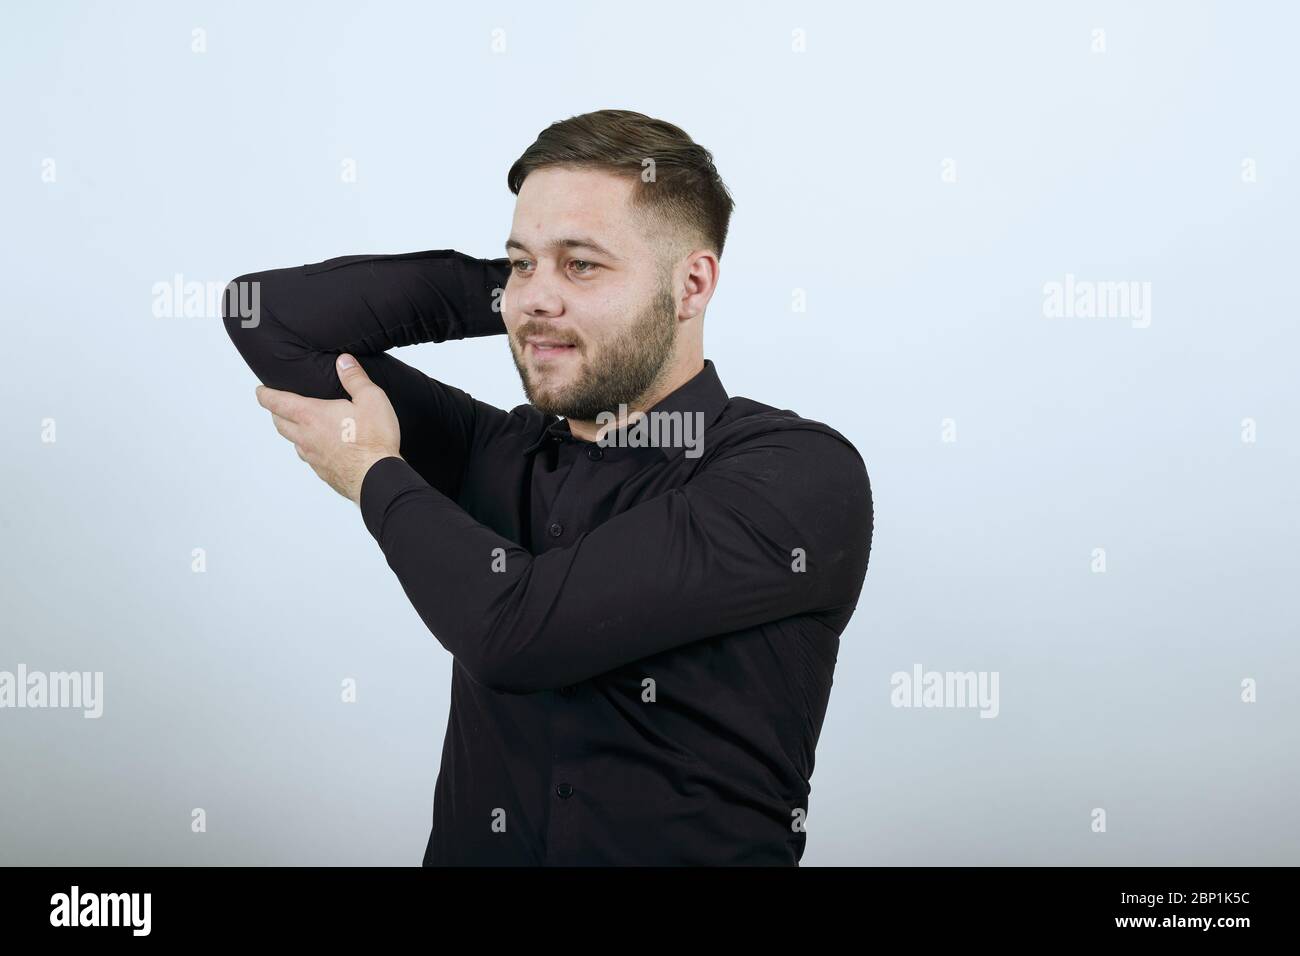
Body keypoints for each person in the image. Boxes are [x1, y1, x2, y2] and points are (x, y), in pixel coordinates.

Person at [223, 108, 873, 865]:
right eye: (521, 261)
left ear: (691, 285)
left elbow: (517, 635)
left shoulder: (795, 475)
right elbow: (265, 314)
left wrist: (375, 476)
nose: (534, 298)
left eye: (584, 264)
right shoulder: (495, 450)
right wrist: (522, 290)